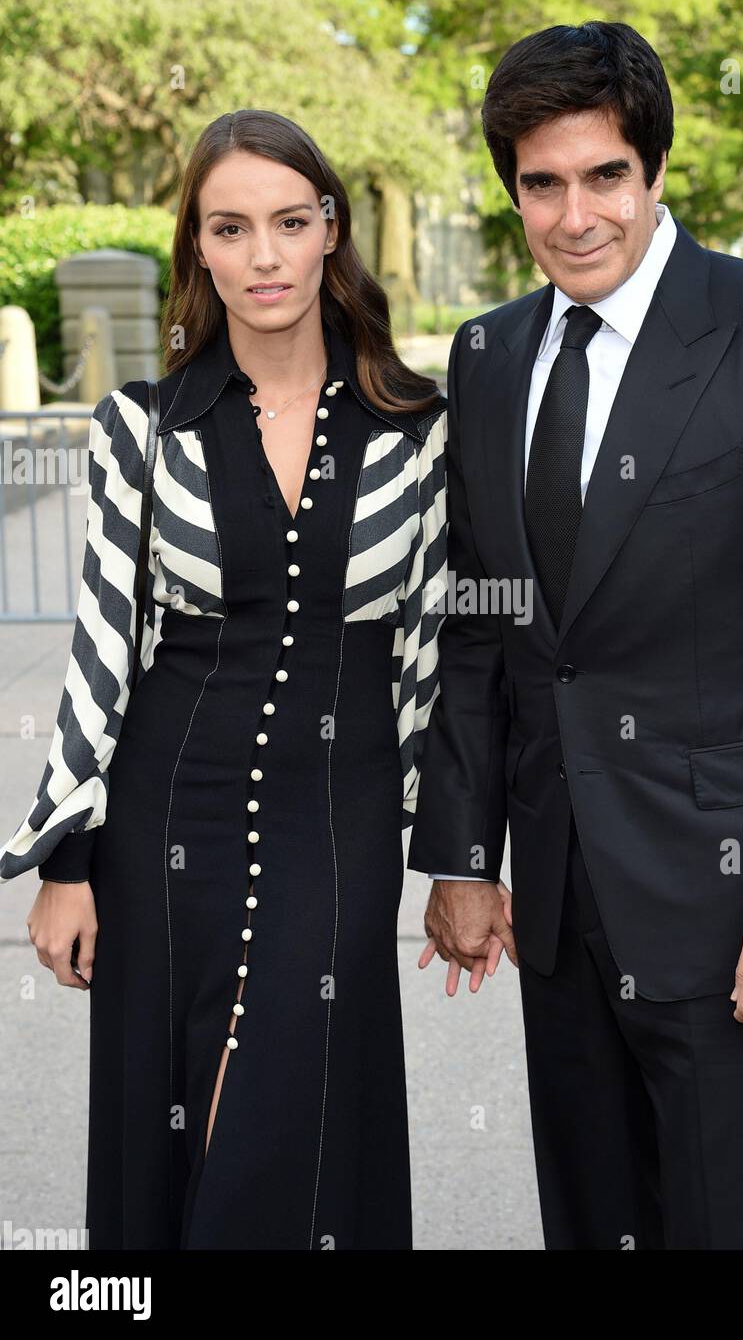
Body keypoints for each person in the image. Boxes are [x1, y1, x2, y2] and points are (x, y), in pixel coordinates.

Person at [408, 21, 743, 1250]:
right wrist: (465, 854)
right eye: (542, 182)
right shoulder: (488, 354)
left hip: (736, 904)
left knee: (730, 1224)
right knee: (592, 1219)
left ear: (654, 170)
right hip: (563, 901)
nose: (575, 215)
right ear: (512, 186)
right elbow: (485, 627)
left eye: (605, 176)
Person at [0, 109, 447, 1250]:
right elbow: (104, 645)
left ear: (330, 232)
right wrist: (68, 861)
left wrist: (461, 857)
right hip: (165, 815)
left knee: (281, 1107)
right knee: (177, 1116)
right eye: (230, 227)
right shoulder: (139, 429)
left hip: (335, 822)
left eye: (290, 223)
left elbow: (435, 658)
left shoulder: (418, 428)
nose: (264, 256)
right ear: (196, 245)